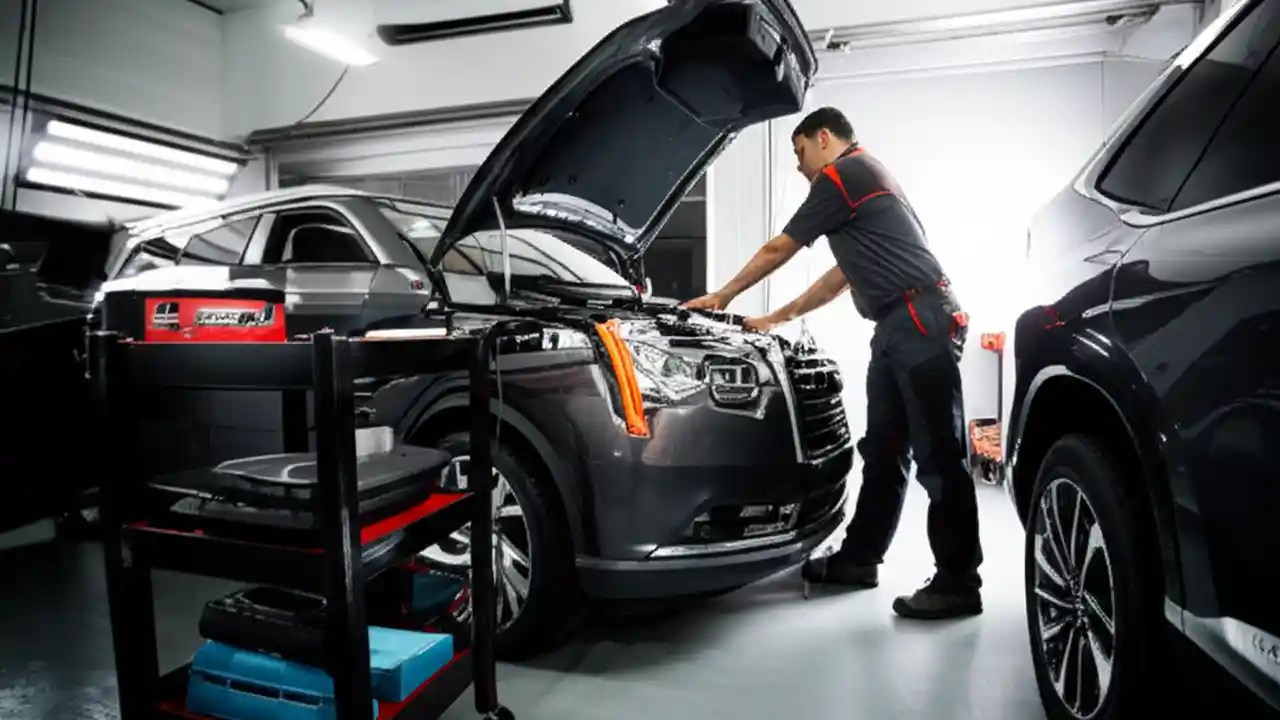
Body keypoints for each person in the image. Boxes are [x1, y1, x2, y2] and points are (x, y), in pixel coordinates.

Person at [683, 107, 983, 619]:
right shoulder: (865, 187)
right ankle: (860, 559)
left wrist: (721, 296)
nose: (800, 166)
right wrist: (774, 317)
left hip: (920, 318)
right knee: (885, 451)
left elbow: (781, 246)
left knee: (939, 454)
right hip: (899, 324)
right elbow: (839, 277)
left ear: (824, 139)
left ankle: (959, 582)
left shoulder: (844, 173)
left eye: (800, 152)